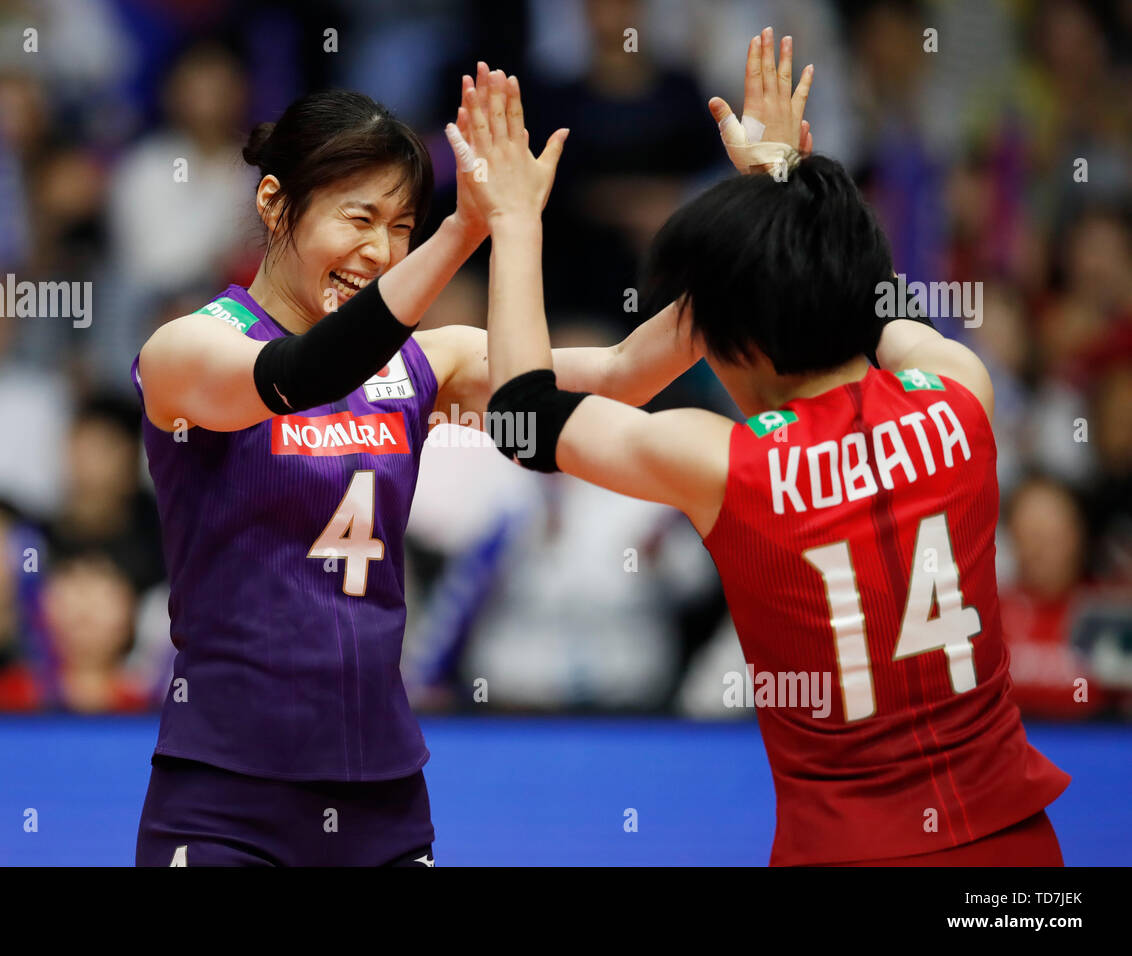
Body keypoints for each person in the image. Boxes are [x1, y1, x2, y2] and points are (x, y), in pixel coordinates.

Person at [460, 29, 1069, 866]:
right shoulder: (960, 391)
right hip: (1018, 856)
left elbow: (523, 413)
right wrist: (783, 194)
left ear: (739, 346)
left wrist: (516, 218)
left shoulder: (729, 465)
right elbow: (857, 298)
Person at [131, 68, 760, 865]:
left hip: (381, 790)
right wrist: (463, 231)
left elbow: (625, 370)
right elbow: (303, 375)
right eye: (359, 218)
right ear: (273, 204)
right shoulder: (188, 349)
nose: (381, 250)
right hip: (226, 792)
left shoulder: (427, 364)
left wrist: (758, 217)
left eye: (402, 225)